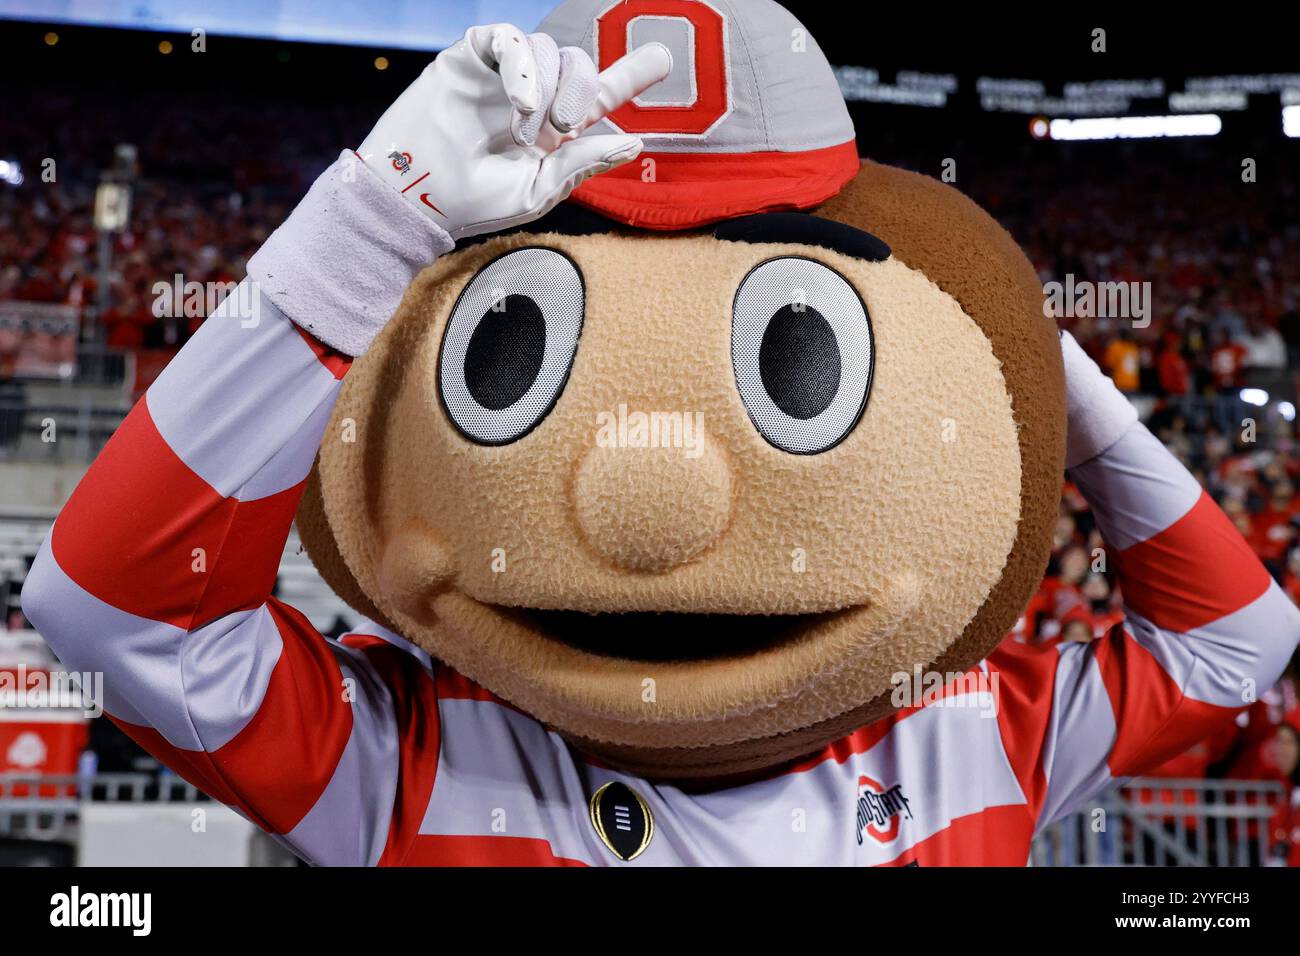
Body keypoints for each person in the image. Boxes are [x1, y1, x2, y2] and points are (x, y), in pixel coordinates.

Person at [19, 17, 1300, 866]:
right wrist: (365, 229)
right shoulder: (397, 750)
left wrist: (1035, 361)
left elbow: (1242, 638)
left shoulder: (970, 728)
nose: (652, 502)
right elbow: (108, 607)